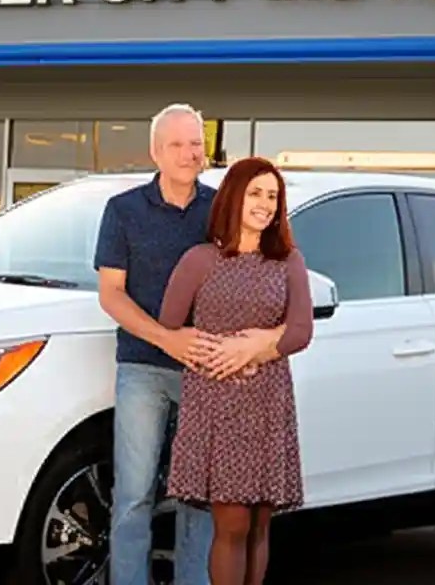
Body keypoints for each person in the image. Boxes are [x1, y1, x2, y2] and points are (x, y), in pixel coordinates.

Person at [94, 104, 285, 585]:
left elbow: (263, 274)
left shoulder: (223, 210)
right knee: (133, 495)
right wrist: (168, 339)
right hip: (142, 369)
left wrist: (259, 342)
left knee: (202, 499)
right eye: (176, 144)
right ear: (156, 152)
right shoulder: (123, 211)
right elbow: (111, 295)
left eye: (195, 143)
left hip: (212, 376)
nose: (188, 152)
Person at [156, 156, 315, 585]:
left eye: (272, 197)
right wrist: (213, 352)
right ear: (234, 198)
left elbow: (301, 330)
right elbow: (171, 324)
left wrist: (256, 348)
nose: (265, 204)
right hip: (216, 404)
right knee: (233, 525)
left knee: (261, 523)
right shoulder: (200, 259)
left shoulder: (288, 262)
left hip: (268, 404)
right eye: (256, 194)